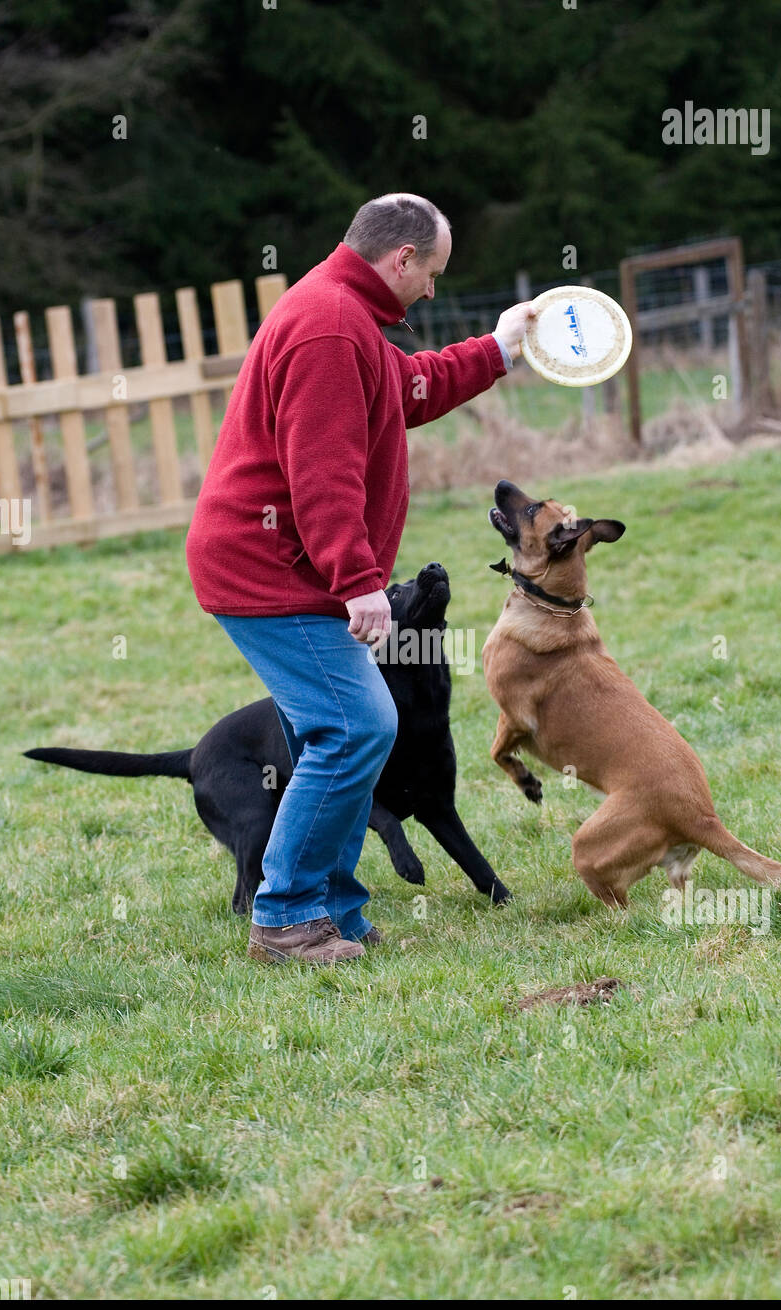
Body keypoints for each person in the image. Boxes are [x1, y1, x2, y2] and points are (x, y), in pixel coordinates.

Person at [185, 192, 536, 965]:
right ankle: (284, 920)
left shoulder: (347, 316)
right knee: (356, 726)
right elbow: (323, 474)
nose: (435, 290)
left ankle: (333, 908)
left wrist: (502, 349)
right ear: (401, 258)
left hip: (291, 564)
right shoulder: (327, 326)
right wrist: (358, 579)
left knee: (346, 731)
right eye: (433, 273)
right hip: (266, 567)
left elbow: (409, 389)